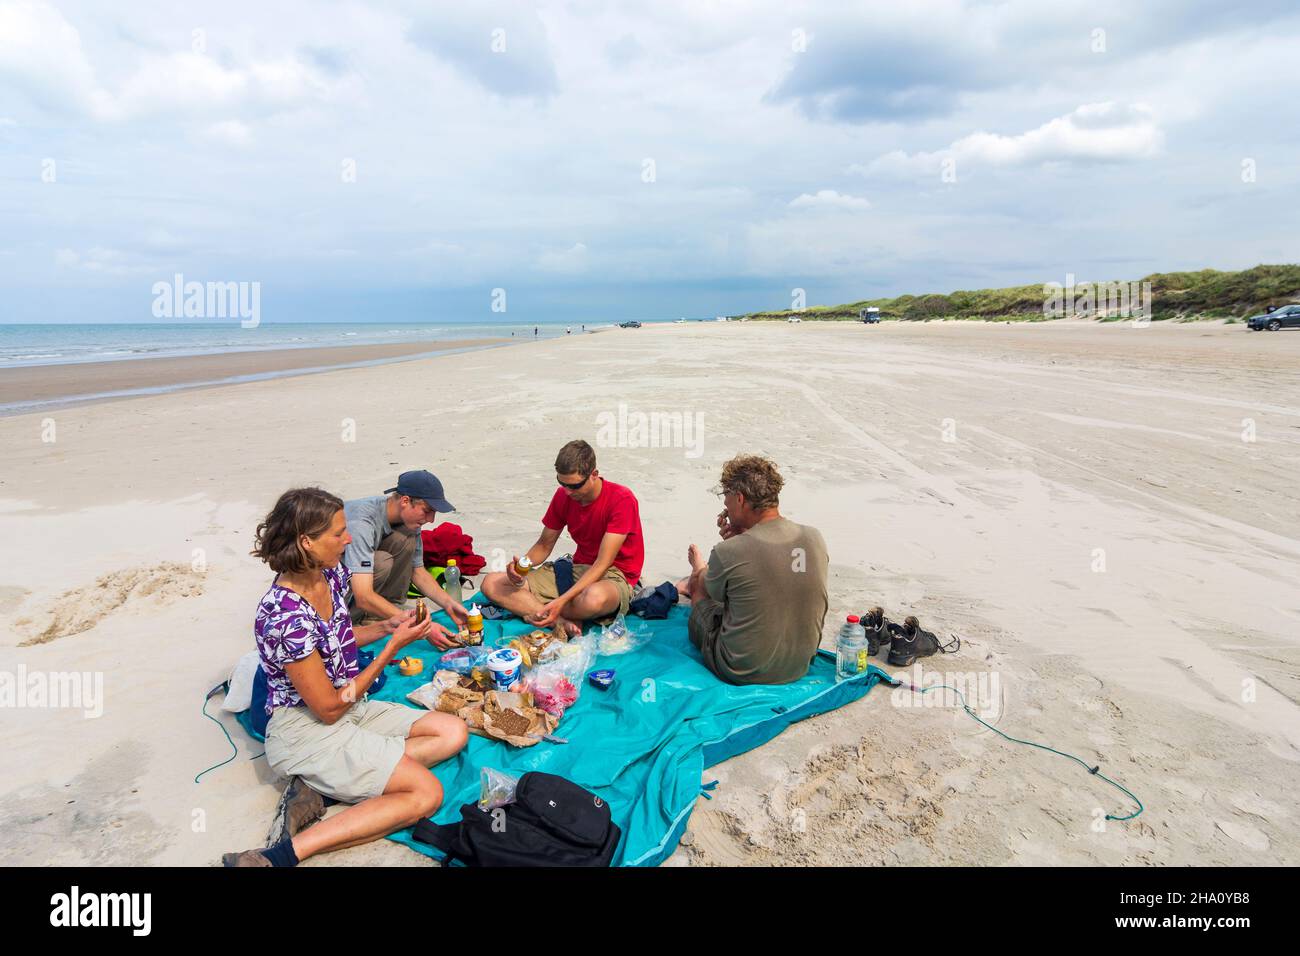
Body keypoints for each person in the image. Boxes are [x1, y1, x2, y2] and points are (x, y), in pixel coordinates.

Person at [223, 487, 469, 867]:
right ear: (306, 541)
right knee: (426, 795)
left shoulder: (329, 574)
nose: (349, 538)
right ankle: (279, 856)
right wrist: (392, 648)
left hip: (350, 705)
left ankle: (333, 785)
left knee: (453, 731)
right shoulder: (286, 616)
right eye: (338, 533)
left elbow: (339, 640)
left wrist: (387, 627)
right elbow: (327, 710)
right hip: (307, 729)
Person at [675, 454, 828, 685]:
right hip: (799, 665)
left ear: (740, 499)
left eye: (725, 498)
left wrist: (703, 569)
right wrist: (743, 539)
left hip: (739, 669)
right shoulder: (814, 537)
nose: (724, 505)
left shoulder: (731, 551)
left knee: (698, 587)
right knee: (746, 586)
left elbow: (710, 591)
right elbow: (773, 567)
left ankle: (698, 571)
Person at [481, 439, 643, 634]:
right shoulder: (563, 496)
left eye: (574, 486)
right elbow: (544, 545)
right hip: (576, 569)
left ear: (594, 475)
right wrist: (520, 567)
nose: (567, 491)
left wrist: (562, 599)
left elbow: (603, 563)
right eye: (561, 483)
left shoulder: (621, 499)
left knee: (593, 599)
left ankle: (533, 609)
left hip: (614, 575)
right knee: (491, 583)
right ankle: (557, 619)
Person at [343, 470, 466, 649]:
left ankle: (380, 615)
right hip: (326, 594)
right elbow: (363, 596)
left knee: (404, 538)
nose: (431, 520)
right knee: (381, 561)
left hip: (357, 581)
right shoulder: (362, 523)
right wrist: (421, 625)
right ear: (405, 501)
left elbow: (418, 571)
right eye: (427, 511)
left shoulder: (408, 519)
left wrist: (449, 603)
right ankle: (352, 621)